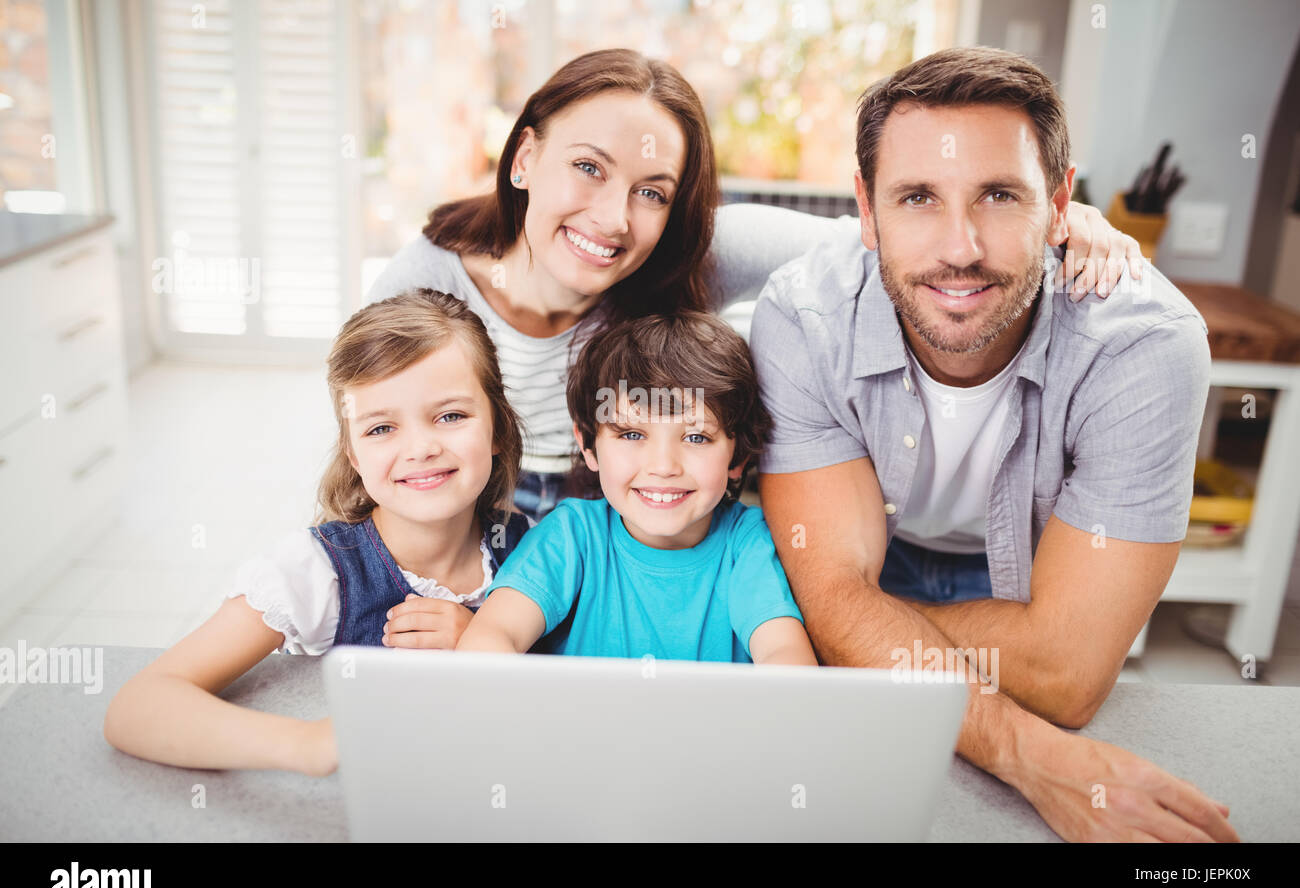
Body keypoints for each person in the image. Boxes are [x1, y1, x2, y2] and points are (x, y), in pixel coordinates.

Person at [748, 46, 1239, 842]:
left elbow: (1069, 675)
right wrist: (1035, 757)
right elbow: (838, 595)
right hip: (884, 543)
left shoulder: (1147, 346)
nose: (960, 247)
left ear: (1058, 203)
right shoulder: (804, 317)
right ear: (866, 213)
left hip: (1037, 565)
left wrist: (847, 626)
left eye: (1000, 195)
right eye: (916, 198)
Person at [367, 47, 1142, 524]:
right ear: (526, 158)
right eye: (589, 168)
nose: (612, 218)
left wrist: (1062, 219)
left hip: (634, 507)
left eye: (652, 191)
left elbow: (888, 243)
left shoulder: (704, 251)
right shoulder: (428, 280)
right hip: (476, 508)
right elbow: (377, 457)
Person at [103, 290, 530, 776]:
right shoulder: (315, 574)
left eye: (450, 416)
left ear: (497, 427)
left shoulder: (538, 550)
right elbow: (138, 706)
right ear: (351, 453)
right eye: (380, 428)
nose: (421, 447)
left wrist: (485, 643)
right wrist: (311, 744)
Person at [457, 311, 816, 666]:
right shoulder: (572, 535)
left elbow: (785, 657)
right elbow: (493, 635)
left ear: (738, 456)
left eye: (696, 437)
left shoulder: (748, 543)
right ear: (589, 445)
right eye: (632, 434)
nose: (663, 467)